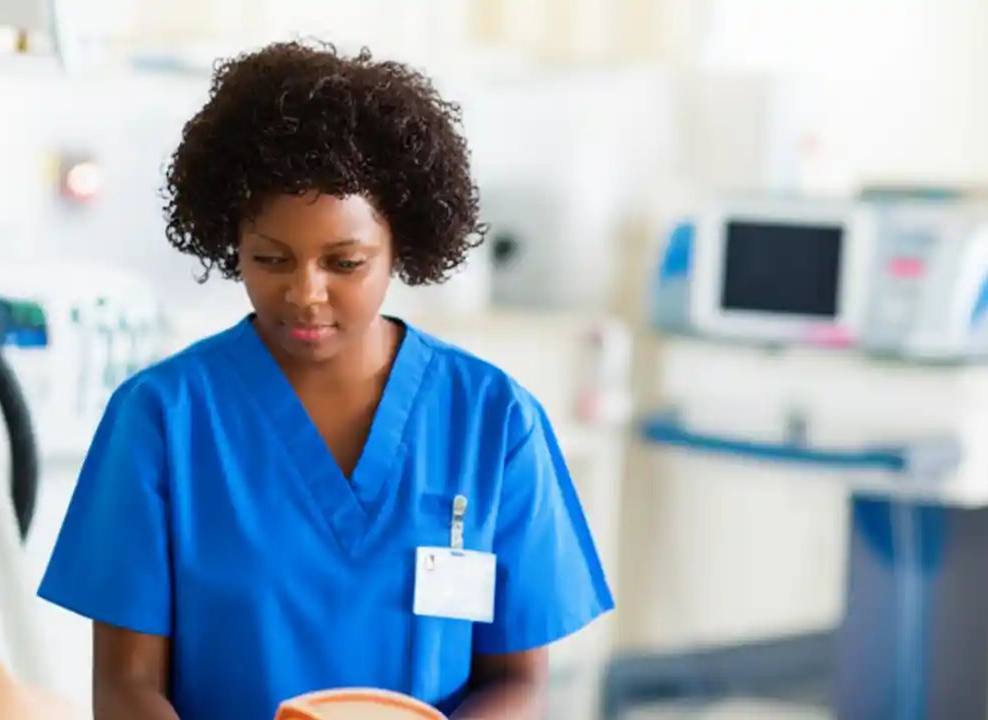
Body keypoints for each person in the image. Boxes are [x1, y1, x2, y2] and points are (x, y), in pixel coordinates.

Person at [38, 40, 614, 720]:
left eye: (344, 263)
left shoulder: (492, 422)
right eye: (271, 259)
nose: (305, 293)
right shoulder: (164, 420)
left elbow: (517, 682)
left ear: (402, 242)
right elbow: (127, 687)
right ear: (231, 242)